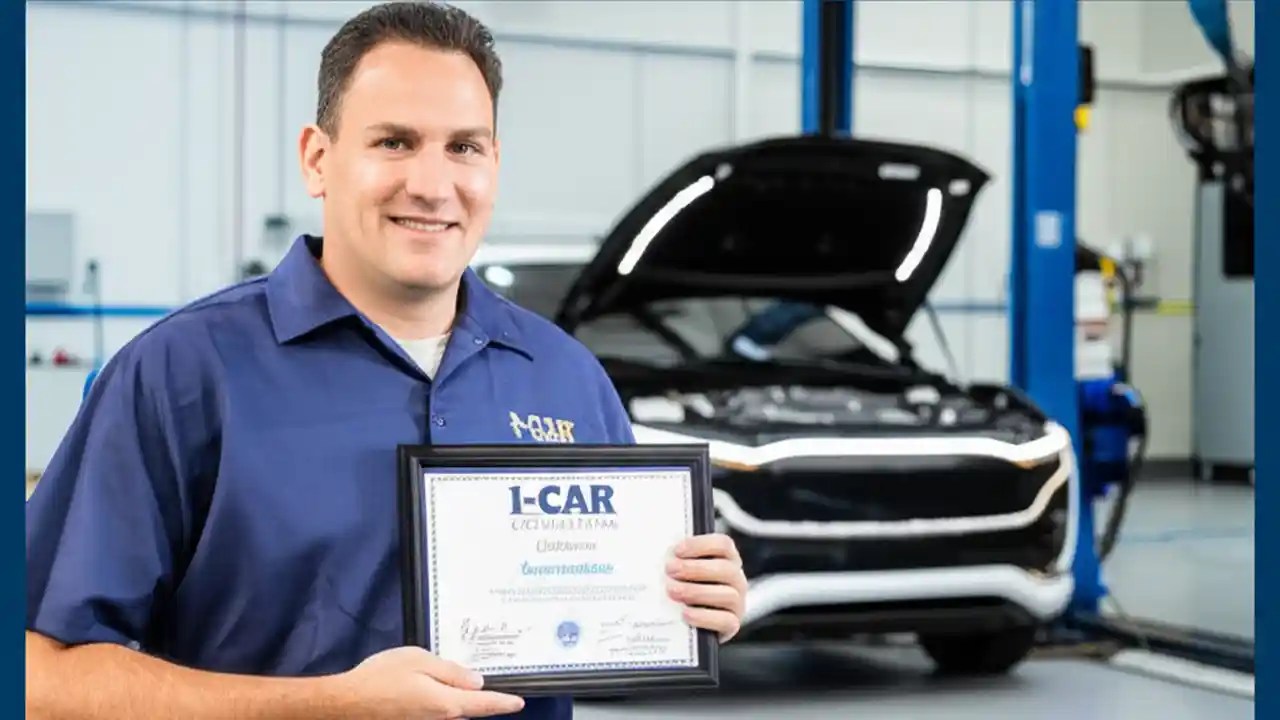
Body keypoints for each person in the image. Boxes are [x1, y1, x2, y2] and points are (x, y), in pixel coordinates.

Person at [24, 2, 748, 718]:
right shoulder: (181, 376)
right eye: (395, 142)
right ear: (318, 158)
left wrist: (687, 607)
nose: (433, 185)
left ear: (494, 163)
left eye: (463, 146)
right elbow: (38, 675)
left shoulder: (565, 377)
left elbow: (605, 647)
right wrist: (325, 706)